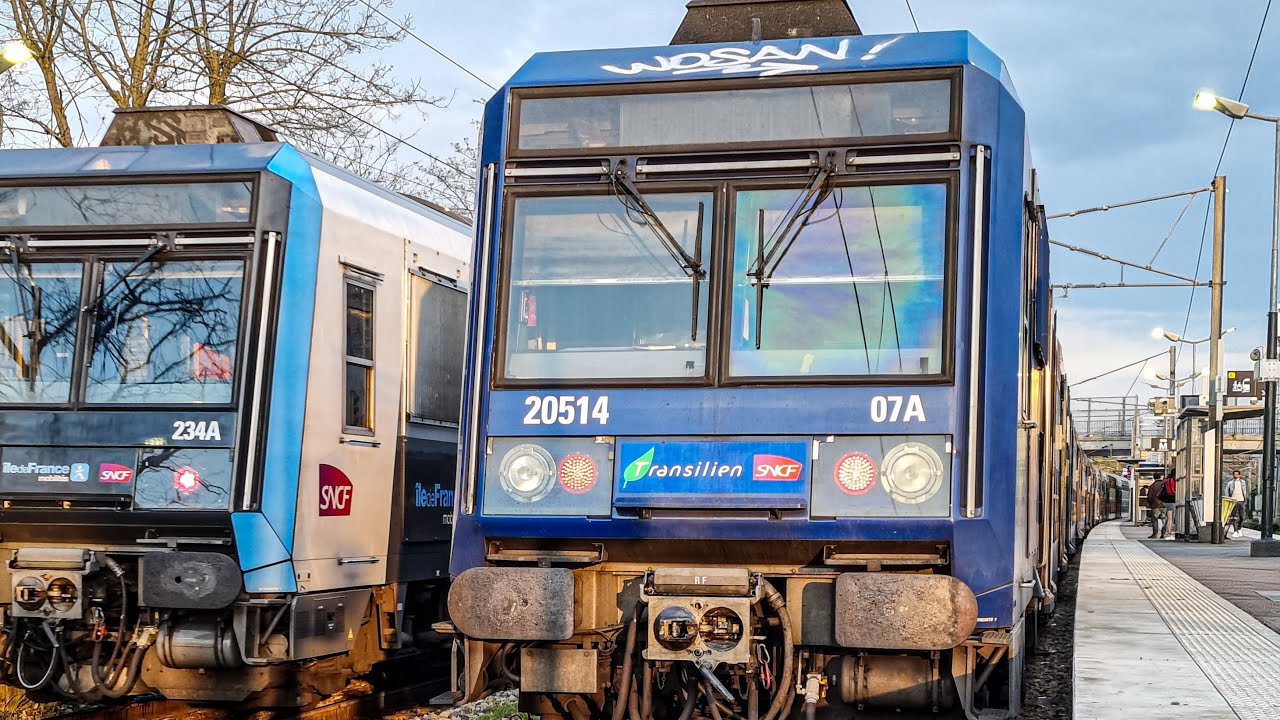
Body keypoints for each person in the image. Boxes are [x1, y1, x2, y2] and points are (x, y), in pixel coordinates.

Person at [1225, 470, 1248, 539]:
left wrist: (1245, 499)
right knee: (1234, 516)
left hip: (1241, 500)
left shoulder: (1243, 482)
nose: (1236, 475)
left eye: (1237, 474)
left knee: (1242, 517)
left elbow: (1245, 491)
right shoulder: (1230, 483)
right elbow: (1226, 491)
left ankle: (1239, 528)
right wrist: (1229, 499)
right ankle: (1235, 531)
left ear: (1239, 475)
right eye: (1235, 474)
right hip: (1233, 501)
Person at [1157, 470, 1177, 539]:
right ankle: (1167, 532)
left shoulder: (1166, 480)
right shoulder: (1173, 480)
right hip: (1171, 501)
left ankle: (1164, 531)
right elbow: (1173, 491)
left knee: (1168, 519)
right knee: (1170, 519)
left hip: (1165, 501)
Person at [1146, 475, 1167, 539]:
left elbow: (1149, 496)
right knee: (1164, 519)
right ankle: (1164, 533)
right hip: (1164, 505)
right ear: (1160, 477)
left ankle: (1155, 534)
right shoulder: (1164, 484)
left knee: (1155, 520)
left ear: (1154, 478)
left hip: (1155, 505)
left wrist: (1150, 504)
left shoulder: (1152, 486)